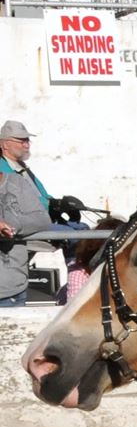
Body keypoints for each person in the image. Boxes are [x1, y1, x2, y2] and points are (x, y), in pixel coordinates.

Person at [0, 120, 53, 307]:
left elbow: (42, 204)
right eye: (21, 140)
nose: (26, 144)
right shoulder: (9, 171)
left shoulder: (19, 172)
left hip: (11, 285)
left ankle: (77, 286)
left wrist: (60, 204)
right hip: (8, 284)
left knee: (80, 232)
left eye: (27, 140)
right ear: (4, 144)